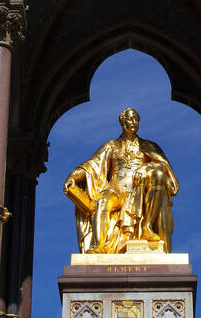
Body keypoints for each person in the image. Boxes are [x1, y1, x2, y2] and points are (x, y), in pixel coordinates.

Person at [64, 108, 178, 254]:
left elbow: (163, 167)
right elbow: (92, 165)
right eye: (129, 119)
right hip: (116, 187)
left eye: (136, 119)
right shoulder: (111, 146)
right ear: (122, 122)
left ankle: (147, 227)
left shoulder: (148, 146)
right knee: (103, 203)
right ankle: (98, 246)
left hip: (140, 187)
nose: (133, 122)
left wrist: (146, 167)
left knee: (158, 176)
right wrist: (74, 176)